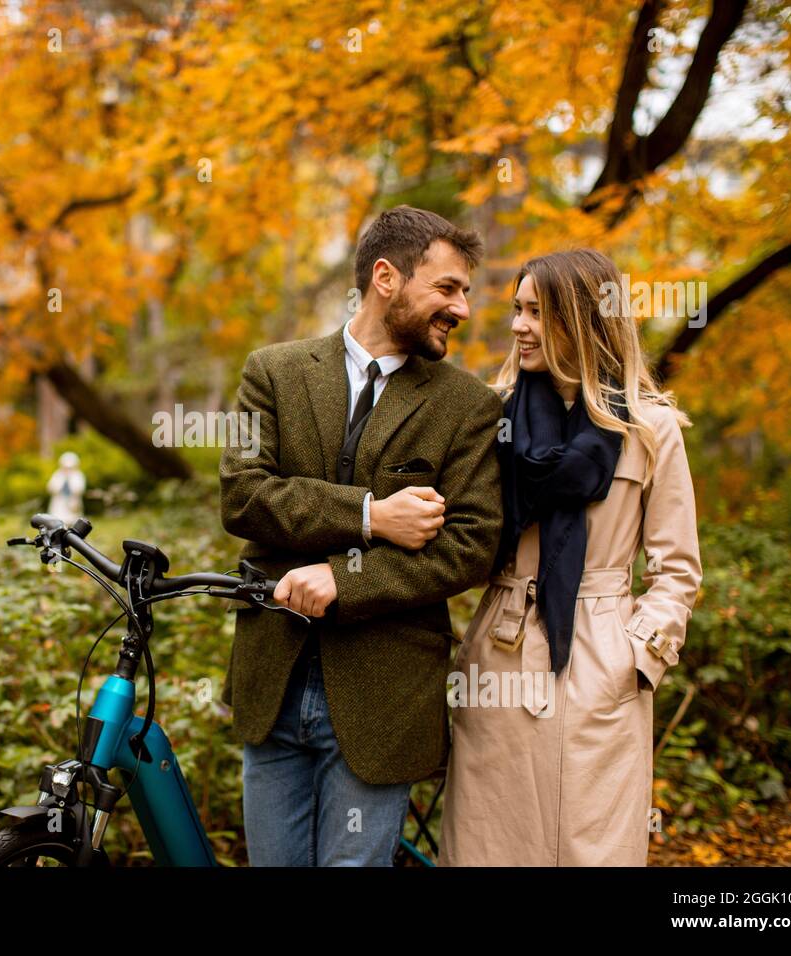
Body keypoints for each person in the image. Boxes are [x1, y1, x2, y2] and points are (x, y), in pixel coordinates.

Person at [218, 206, 504, 866]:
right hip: (275, 680)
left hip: (387, 694)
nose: (461, 308)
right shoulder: (272, 373)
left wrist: (342, 579)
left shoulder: (470, 407)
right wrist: (374, 515)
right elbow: (243, 495)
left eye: (464, 292)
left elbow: (470, 544)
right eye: (447, 288)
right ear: (386, 277)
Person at [438, 248, 702, 866]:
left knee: (594, 846)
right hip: (500, 656)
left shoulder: (648, 426)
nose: (518, 325)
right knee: (489, 845)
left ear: (580, 321)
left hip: (601, 654)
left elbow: (677, 570)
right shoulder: (491, 417)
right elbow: (461, 538)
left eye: (536, 311)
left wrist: (634, 657)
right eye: (517, 309)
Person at [46, 451, 85, 524]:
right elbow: (51, 487)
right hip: (59, 503)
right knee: (58, 521)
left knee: (73, 522)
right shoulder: (58, 474)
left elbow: (79, 489)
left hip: (72, 503)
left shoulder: (78, 475)